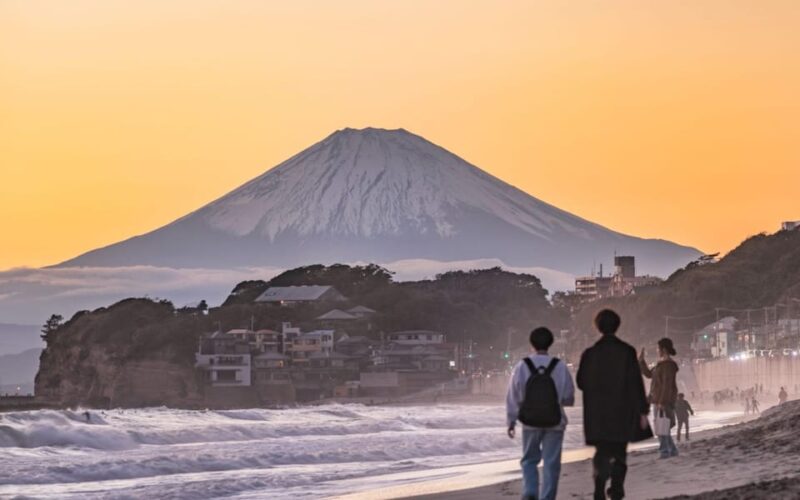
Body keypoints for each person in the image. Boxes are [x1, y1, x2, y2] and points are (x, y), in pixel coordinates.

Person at [577, 310, 650, 500]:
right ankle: (617, 490)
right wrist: (643, 411)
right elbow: (636, 383)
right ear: (617, 326)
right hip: (622, 411)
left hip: (597, 413)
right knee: (619, 451)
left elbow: (581, 383)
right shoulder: (627, 351)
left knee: (601, 451)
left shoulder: (590, 353)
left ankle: (599, 487)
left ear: (598, 327)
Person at [506, 327, 575, 500]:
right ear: (551, 343)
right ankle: (547, 497)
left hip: (530, 422)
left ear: (531, 344)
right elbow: (569, 397)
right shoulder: (559, 366)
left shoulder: (522, 365)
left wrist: (511, 421)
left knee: (529, 460)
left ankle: (530, 491)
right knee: (551, 463)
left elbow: (513, 396)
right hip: (555, 421)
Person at [639, 337, 679, 459]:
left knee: (661, 427)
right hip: (657, 400)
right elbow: (648, 374)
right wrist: (641, 361)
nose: (657, 350)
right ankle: (671, 450)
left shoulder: (668, 365)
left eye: (658, 348)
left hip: (663, 401)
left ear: (664, 349)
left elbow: (667, 385)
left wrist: (662, 401)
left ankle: (665, 451)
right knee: (663, 427)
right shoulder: (660, 364)